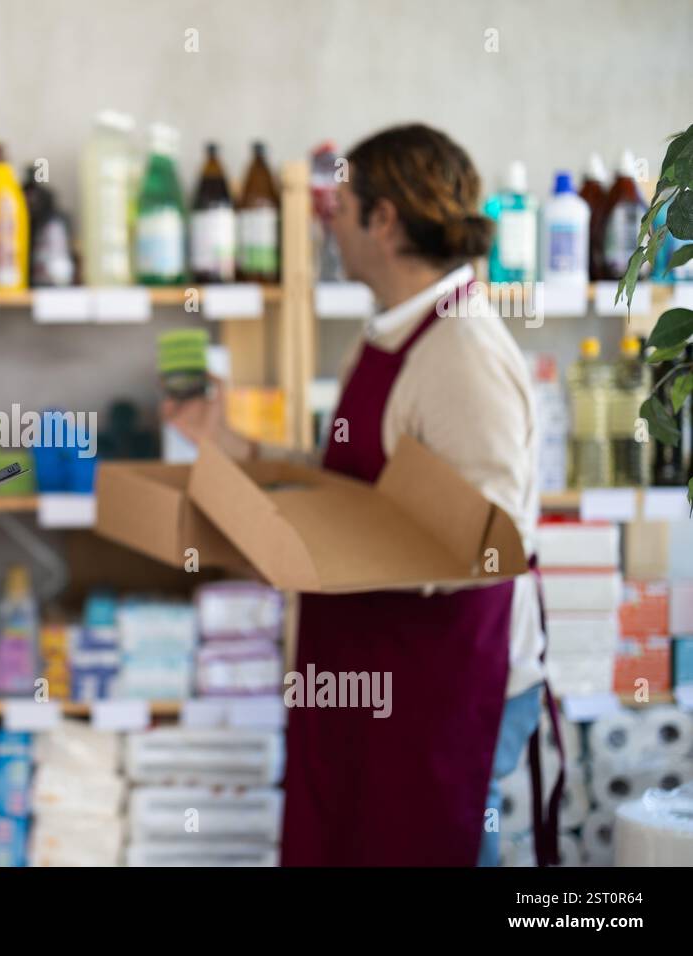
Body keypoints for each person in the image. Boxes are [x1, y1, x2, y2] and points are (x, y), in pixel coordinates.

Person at [165, 124, 557, 866]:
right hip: (372, 672)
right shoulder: (385, 336)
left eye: (339, 207)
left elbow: (490, 542)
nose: (328, 223)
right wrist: (223, 439)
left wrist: (308, 545)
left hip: (443, 686)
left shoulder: (462, 353)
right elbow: (342, 482)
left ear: (384, 221)